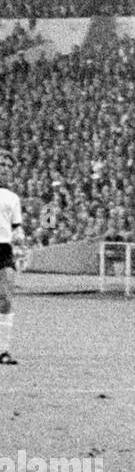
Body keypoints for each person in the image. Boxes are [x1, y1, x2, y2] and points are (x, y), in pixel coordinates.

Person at [0, 150, 24, 366]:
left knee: (6, 298)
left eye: (8, 165)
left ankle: (3, 351)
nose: (5, 168)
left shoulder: (12, 198)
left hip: (4, 251)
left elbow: (16, 227)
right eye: (1, 164)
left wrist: (20, 240)